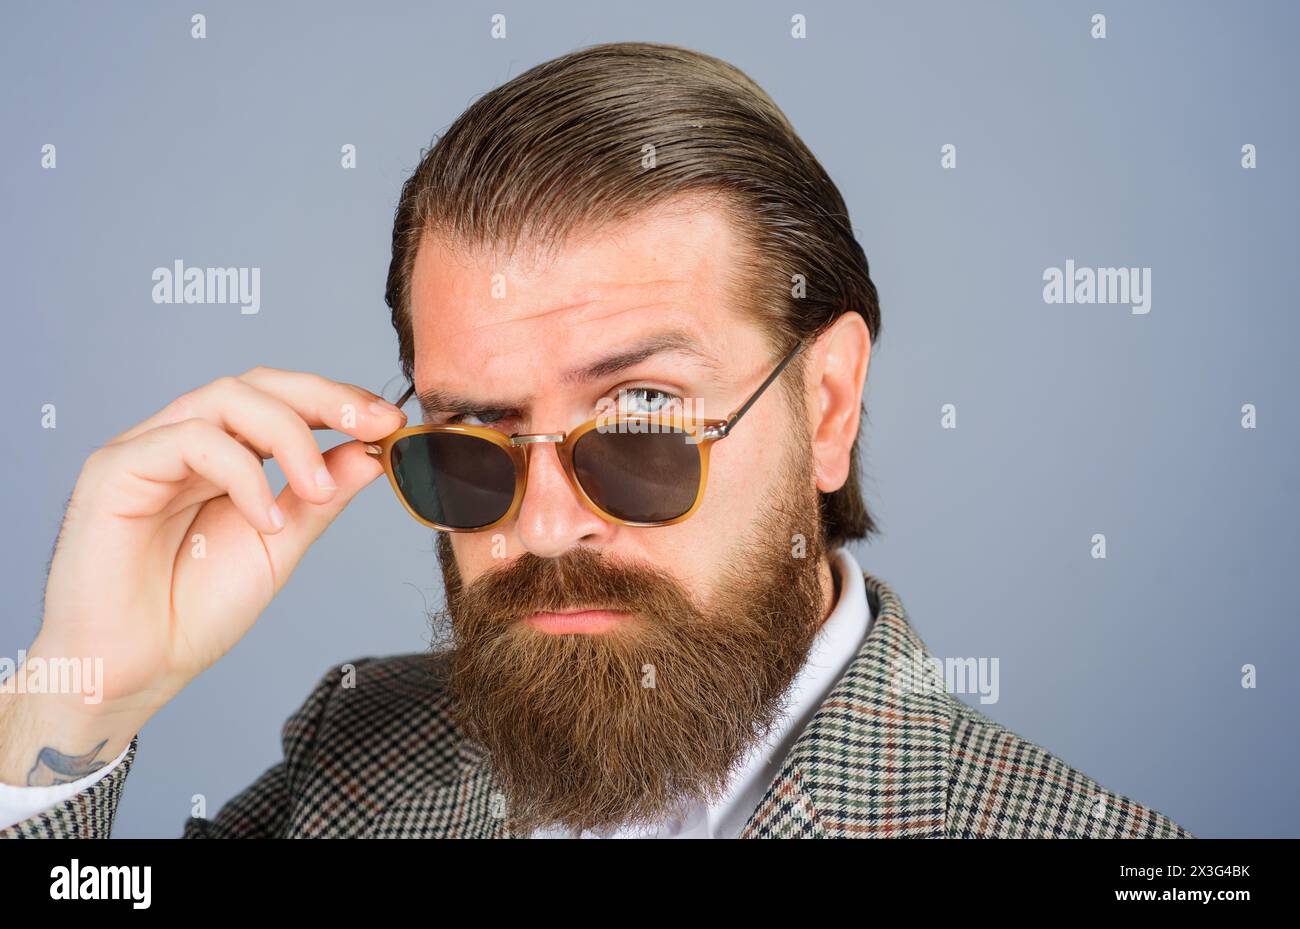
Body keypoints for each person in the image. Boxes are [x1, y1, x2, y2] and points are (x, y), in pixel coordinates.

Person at [0, 41, 1189, 839]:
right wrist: (77, 702)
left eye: (639, 426)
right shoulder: (358, 757)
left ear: (826, 404)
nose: (545, 521)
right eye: (473, 438)